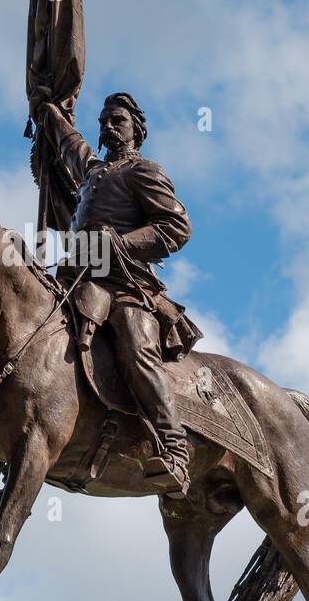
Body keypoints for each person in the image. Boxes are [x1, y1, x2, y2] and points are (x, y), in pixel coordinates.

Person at [36, 92, 200, 495]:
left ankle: (174, 448)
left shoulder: (143, 172)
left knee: (135, 346)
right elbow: (69, 144)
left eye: (118, 121)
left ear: (136, 131)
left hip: (125, 285)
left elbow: (176, 228)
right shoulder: (92, 172)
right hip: (77, 281)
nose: (108, 126)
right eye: (105, 120)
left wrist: (121, 244)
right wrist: (48, 111)